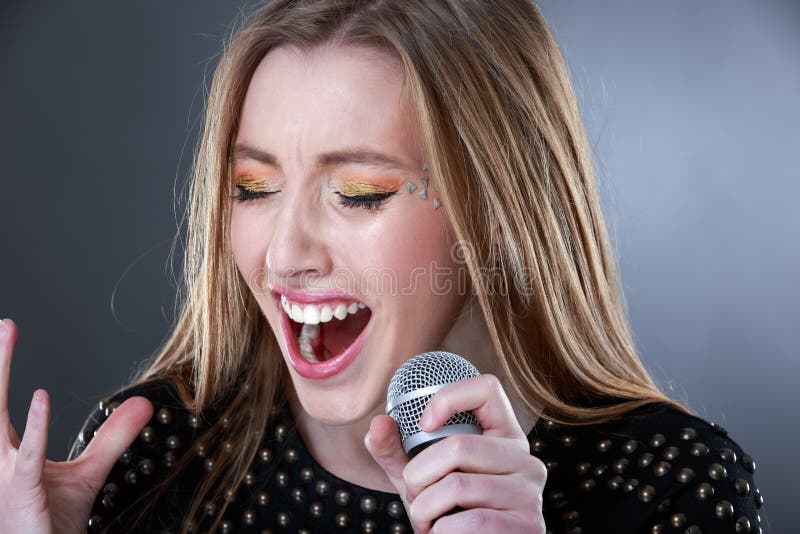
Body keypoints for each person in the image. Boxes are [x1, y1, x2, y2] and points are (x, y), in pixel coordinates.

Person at [0, 0, 764, 532]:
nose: (285, 254)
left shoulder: (669, 483)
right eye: (253, 188)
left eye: (359, 193)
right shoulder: (152, 455)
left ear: (497, 207)